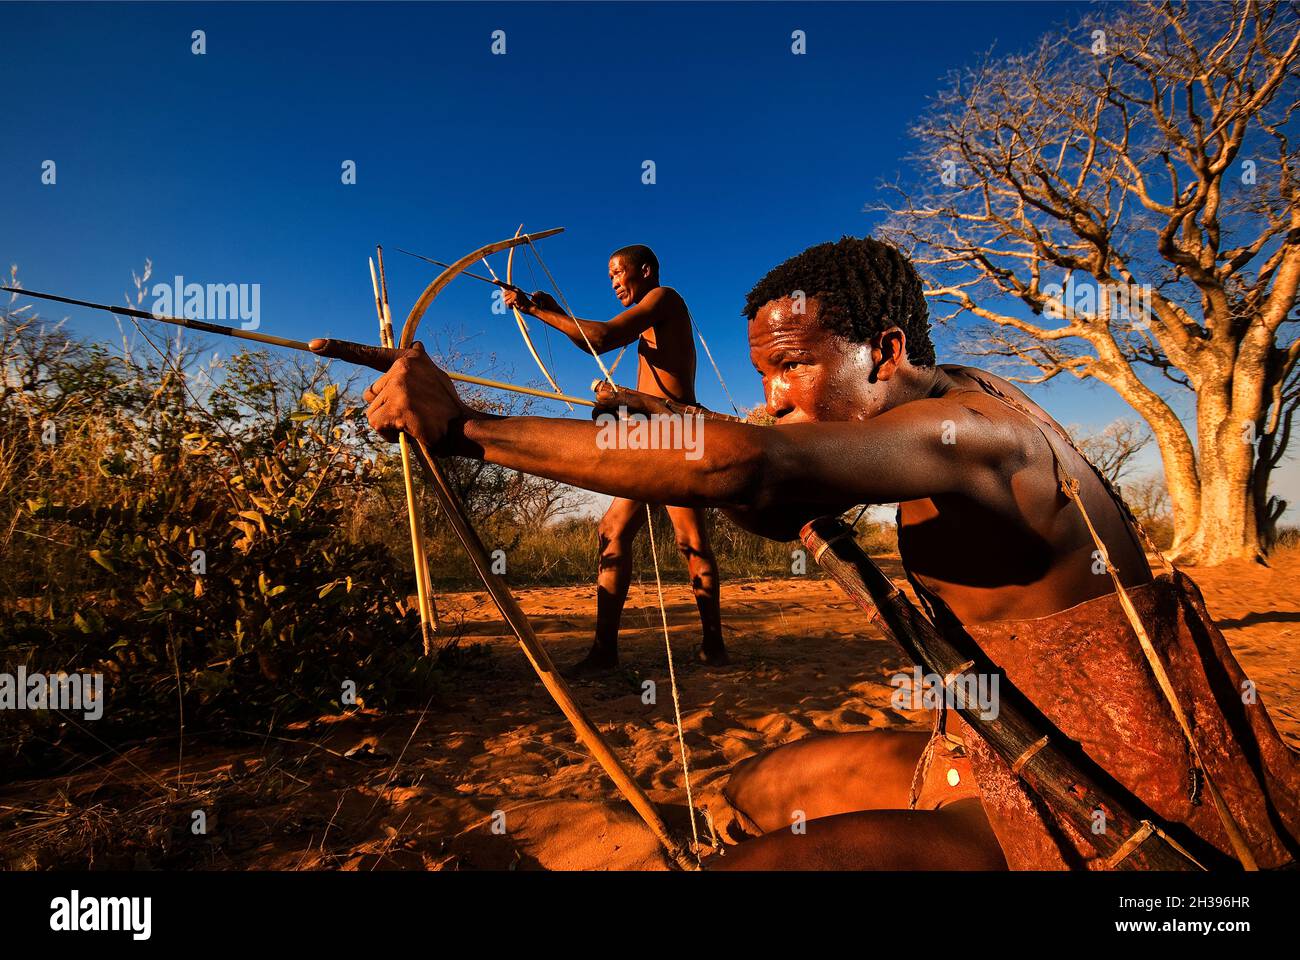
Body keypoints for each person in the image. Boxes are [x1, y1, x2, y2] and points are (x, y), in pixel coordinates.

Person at [313, 236, 1299, 869]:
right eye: (763, 376)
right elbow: (769, 489)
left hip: (1115, 818)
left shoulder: (976, 433)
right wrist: (663, 428)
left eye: (790, 369)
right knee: (749, 791)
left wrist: (467, 428)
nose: (776, 394)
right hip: (999, 756)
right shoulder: (936, 407)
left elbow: (753, 470)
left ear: (881, 351)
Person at [502, 245, 727, 670]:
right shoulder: (648, 319)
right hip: (651, 437)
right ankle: (605, 651)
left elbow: (601, 339)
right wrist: (552, 311)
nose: (613, 282)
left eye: (617, 273)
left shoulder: (664, 299)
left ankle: (713, 644)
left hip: (677, 433)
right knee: (613, 529)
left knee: (690, 541)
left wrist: (538, 313)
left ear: (645, 270)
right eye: (609, 277)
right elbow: (599, 337)